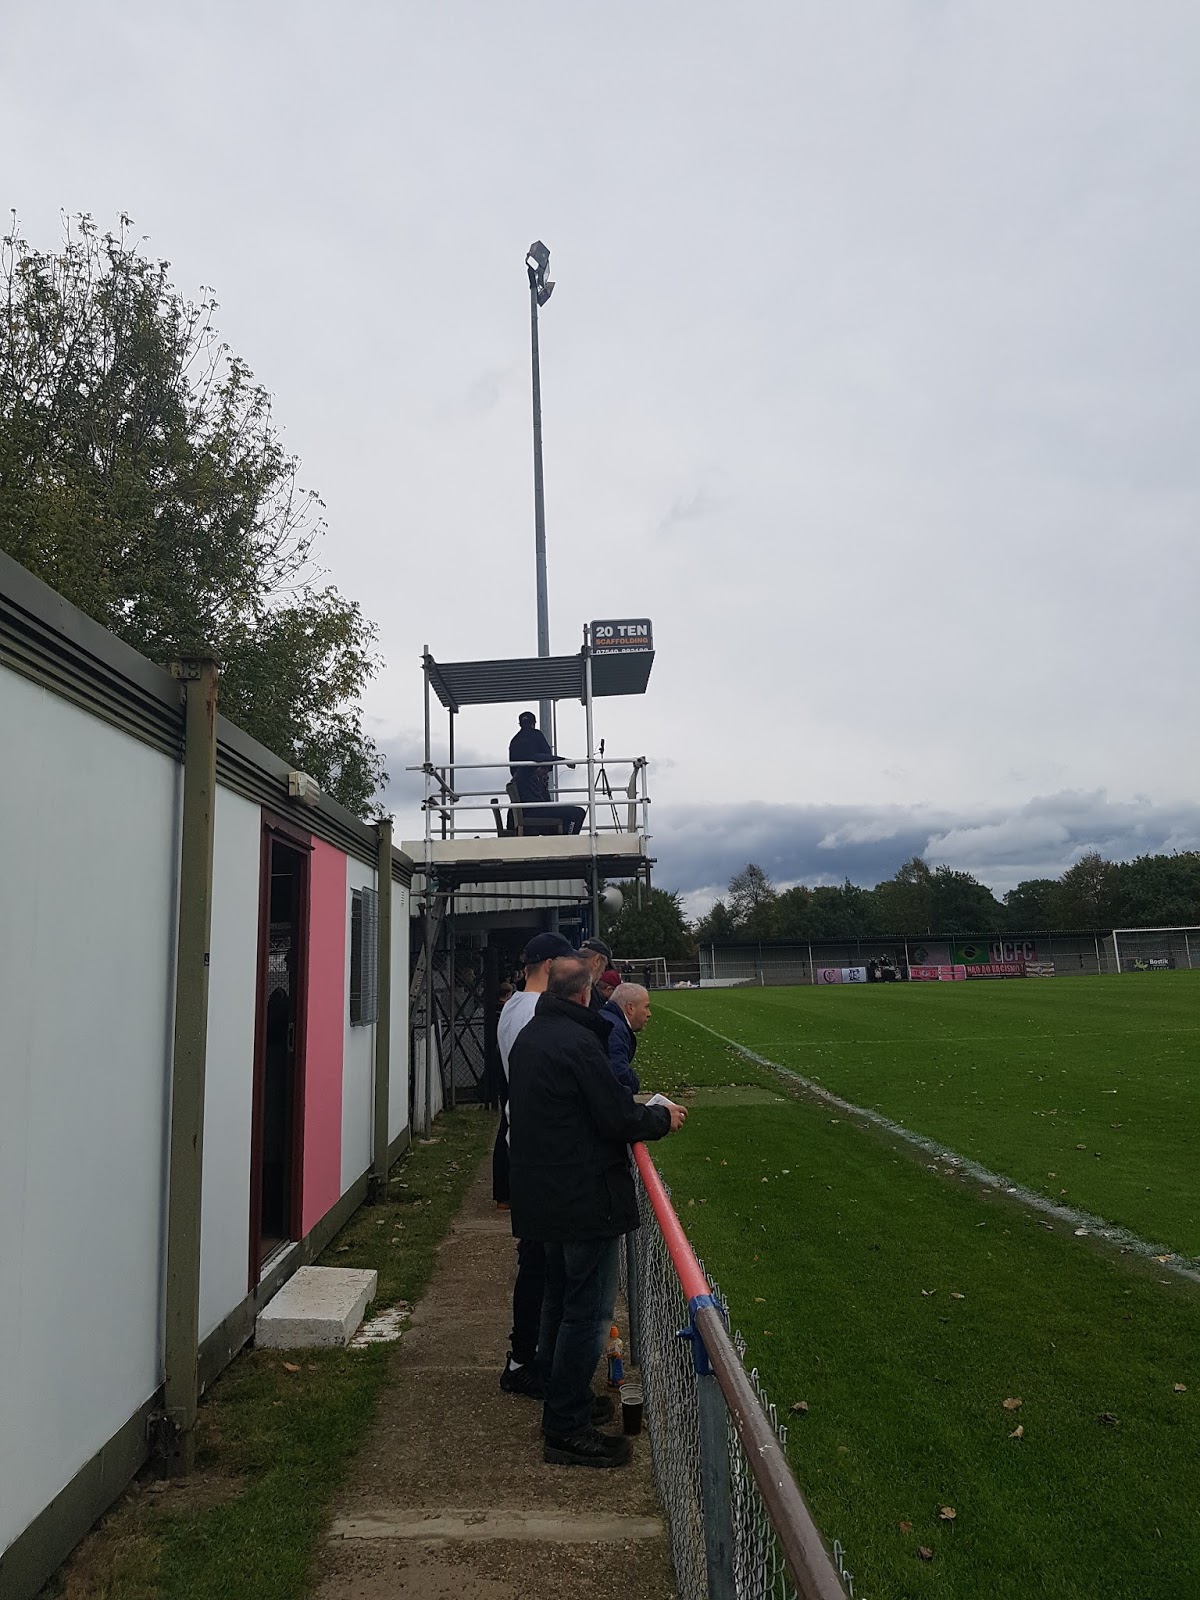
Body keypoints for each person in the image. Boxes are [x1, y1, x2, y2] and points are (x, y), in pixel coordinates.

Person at [508, 954, 687, 1468]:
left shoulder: (534, 1036)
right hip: (582, 1198)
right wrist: (659, 1117)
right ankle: (565, 1425)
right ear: (586, 994)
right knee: (586, 1312)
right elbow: (614, 1114)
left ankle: (563, 1395)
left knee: (560, 1300)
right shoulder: (577, 1042)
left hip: (546, 1194)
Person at [494, 930, 573, 1399]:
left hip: (526, 1144)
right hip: (534, 1151)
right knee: (539, 1264)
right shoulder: (530, 1010)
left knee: (540, 1261)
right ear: (549, 965)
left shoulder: (516, 1006)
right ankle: (524, 1361)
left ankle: (531, 1358)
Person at [508, 711, 584, 834]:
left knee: (563, 816)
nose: (546, 772)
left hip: (527, 810)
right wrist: (562, 760)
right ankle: (568, 842)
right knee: (577, 813)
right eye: (545, 768)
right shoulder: (529, 770)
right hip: (534, 811)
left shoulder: (514, 744)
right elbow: (538, 756)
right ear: (534, 723)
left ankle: (563, 840)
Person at [599, 982, 651, 1093]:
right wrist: (634, 1084)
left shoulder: (606, 1018)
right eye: (646, 1007)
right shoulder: (615, 1030)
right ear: (630, 1008)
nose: (649, 1013)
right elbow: (619, 1073)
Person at [578, 936, 613, 1011]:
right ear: (596, 960)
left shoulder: (562, 980)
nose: (603, 972)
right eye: (605, 966)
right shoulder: (593, 994)